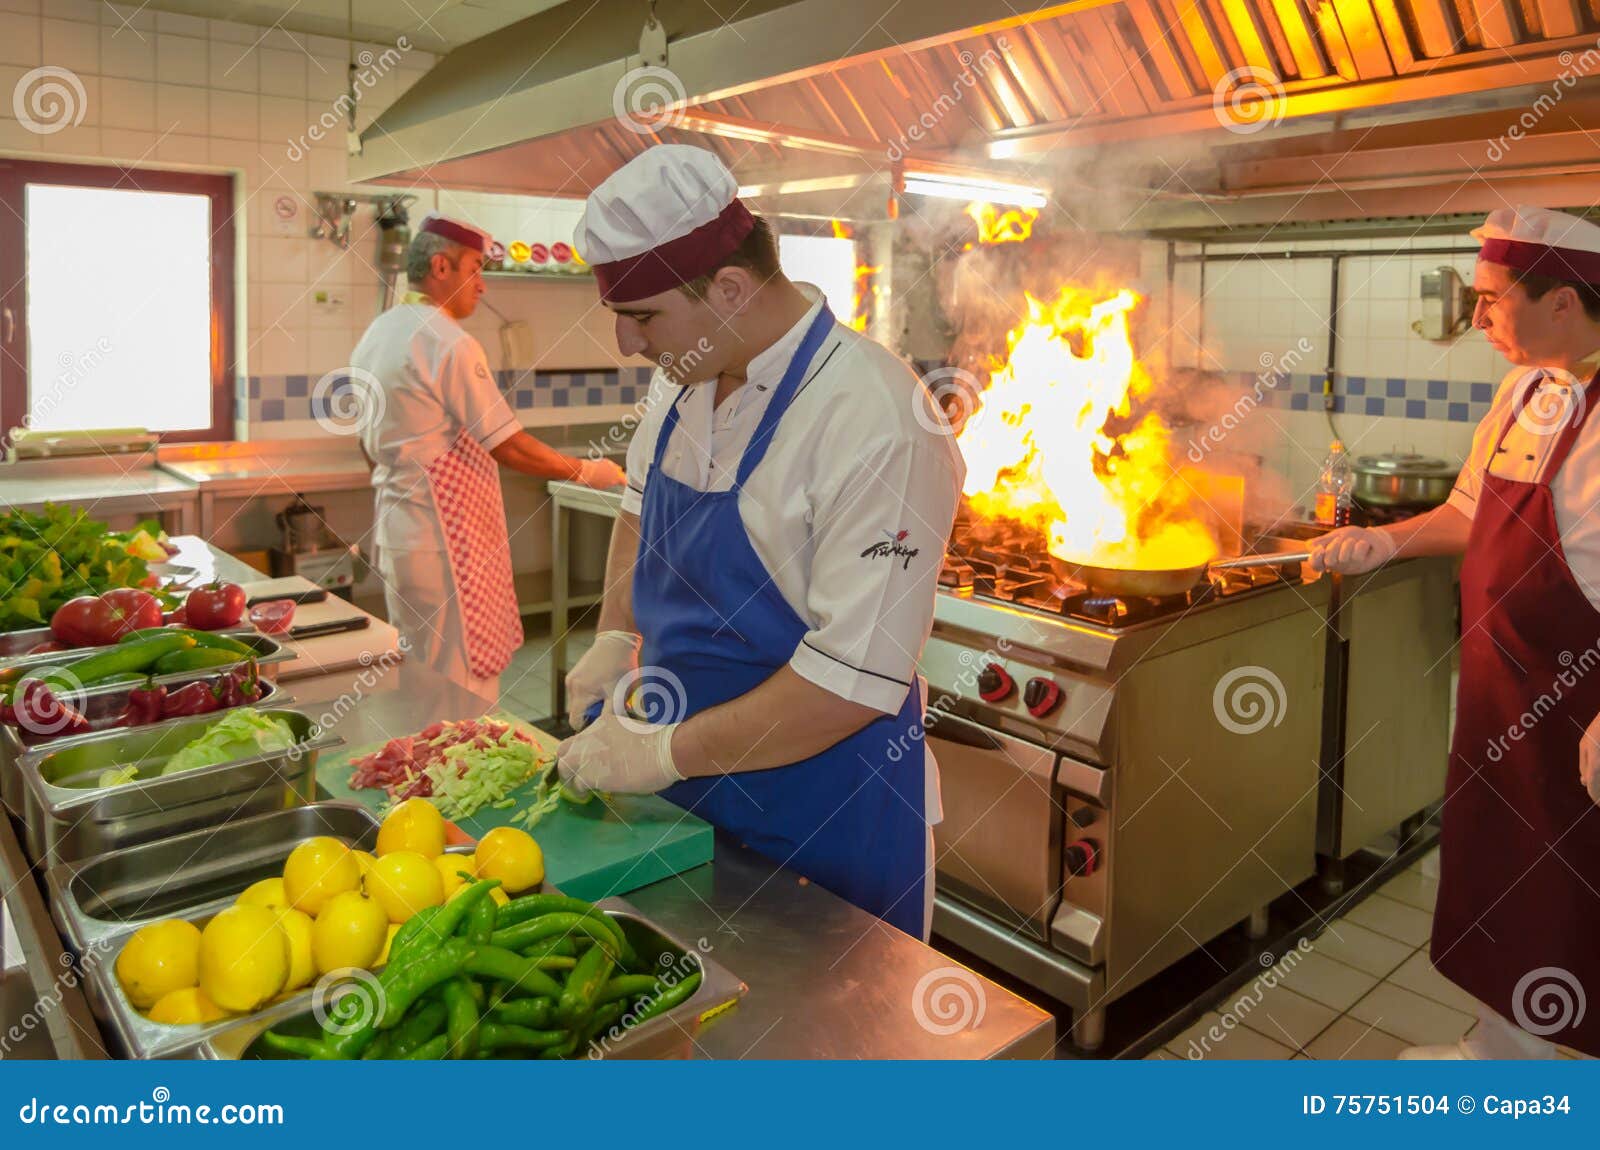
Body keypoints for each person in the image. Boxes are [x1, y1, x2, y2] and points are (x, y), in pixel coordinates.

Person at [555, 145, 965, 938]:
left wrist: (665, 754)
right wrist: (615, 632)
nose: (628, 345)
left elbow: (851, 682)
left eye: (642, 317)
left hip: (822, 811)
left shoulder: (878, 419)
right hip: (685, 792)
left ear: (732, 289)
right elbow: (640, 507)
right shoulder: (684, 379)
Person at [1309, 205, 1600, 1059]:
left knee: (1575, 899)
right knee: (1505, 876)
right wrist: (1383, 540)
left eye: (1490, 299)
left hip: (1581, 708)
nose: (1475, 318)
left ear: (1562, 304)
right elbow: (1473, 510)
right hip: (1498, 690)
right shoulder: (1525, 392)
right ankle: (1499, 1062)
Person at [352, 213, 624, 702]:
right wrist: (589, 470)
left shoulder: (380, 330)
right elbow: (508, 444)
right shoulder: (446, 341)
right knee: (458, 688)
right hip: (443, 546)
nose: (482, 285)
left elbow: (364, 440)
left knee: (421, 674)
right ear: (441, 266)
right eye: (475, 269)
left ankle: (426, 767)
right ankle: (457, 770)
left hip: (399, 534)